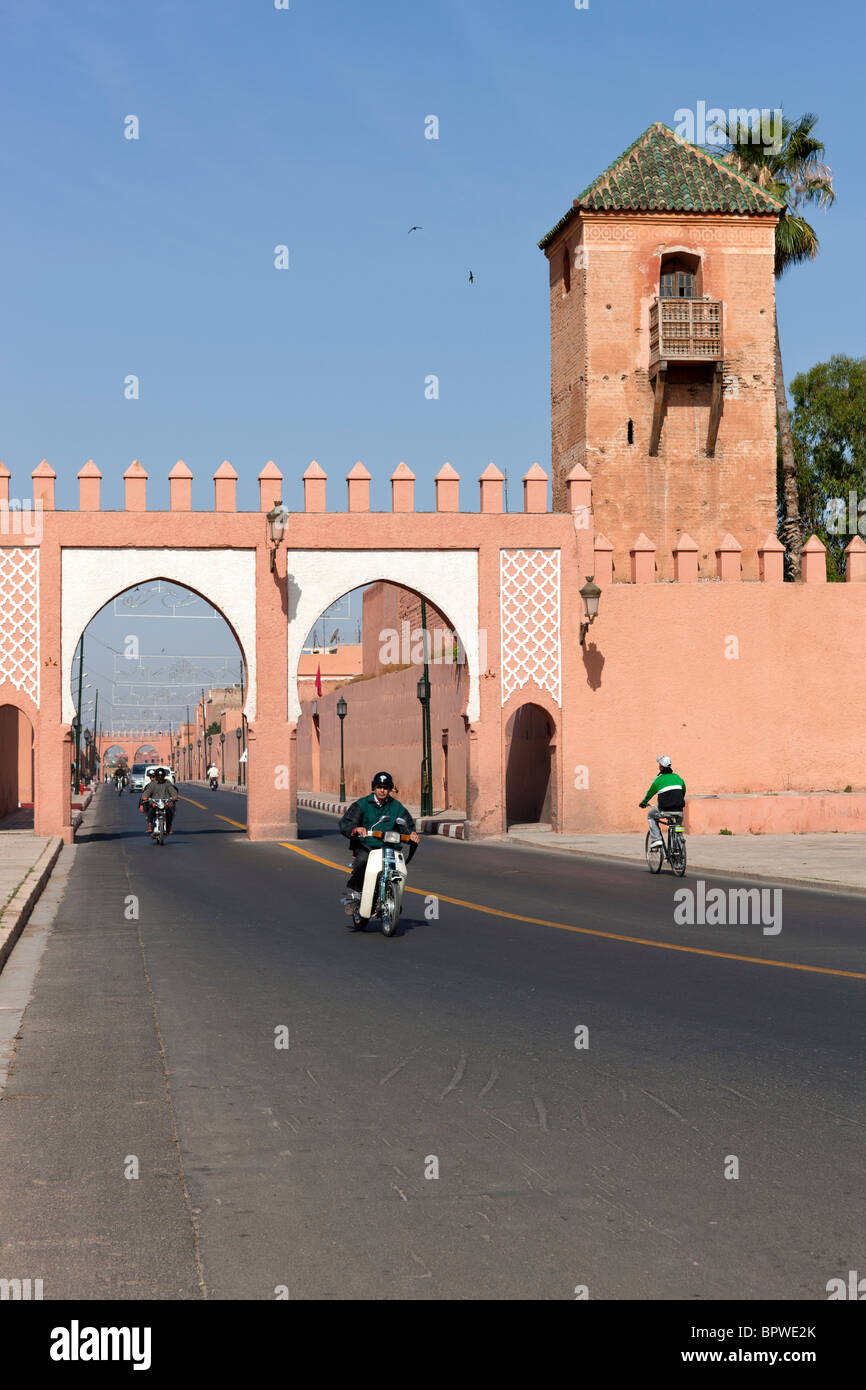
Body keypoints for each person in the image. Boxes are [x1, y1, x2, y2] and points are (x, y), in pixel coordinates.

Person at [338, 772, 420, 911]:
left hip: (390, 847)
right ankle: (354, 894)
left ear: (390, 789)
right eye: (379, 786)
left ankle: (393, 897)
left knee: (399, 869)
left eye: (385, 787)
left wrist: (411, 834)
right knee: (363, 861)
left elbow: (405, 824)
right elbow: (345, 823)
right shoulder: (362, 804)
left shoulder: (396, 807)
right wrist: (356, 829)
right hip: (366, 846)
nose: (382, 790)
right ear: (374, 788)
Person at [639, 755, 686, 848]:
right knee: (678, 824)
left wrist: (643, 803)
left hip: (664, 810)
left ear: (660, 766)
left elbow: (649, 794)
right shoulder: (678, 777)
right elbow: (683, 791)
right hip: (679, 810)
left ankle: (656, 840)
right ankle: (680, 838)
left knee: (651, 816)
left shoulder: (658, 780)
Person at [139, 766, 179, 835]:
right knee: (151, 809)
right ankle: (150, 824)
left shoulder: (167, 783)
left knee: (169, 811)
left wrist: (174, 796)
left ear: (164, 776)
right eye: (159, 777)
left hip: (166, 802)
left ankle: (169, 826)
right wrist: (145, 797)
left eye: (162, 776)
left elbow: (172, 790)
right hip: (155, 802)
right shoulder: (152, 784)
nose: (160, 778)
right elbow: (147, 792)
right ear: (156, 777)